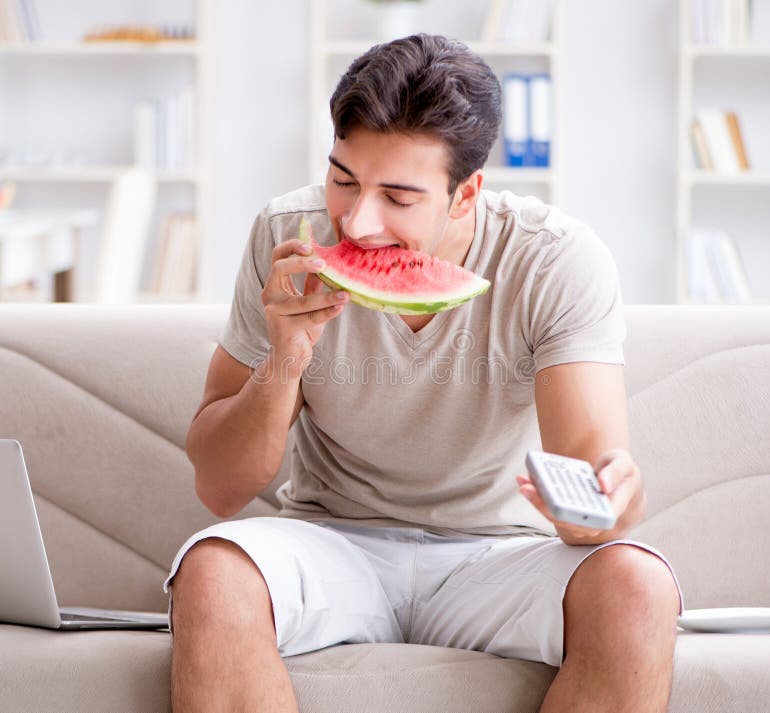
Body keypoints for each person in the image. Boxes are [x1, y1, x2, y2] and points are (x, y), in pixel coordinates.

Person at [164, 33, 683, 713]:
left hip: (498, 557)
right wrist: (286, 352)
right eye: (343, 178)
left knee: (639, 586)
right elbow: (221, 487)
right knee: (210, 574)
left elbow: (593, 494)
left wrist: (609, 504)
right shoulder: (286, 237)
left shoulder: (555, 261)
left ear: (466, 193)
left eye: (400, 197)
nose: (357, 221)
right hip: (333, 540)